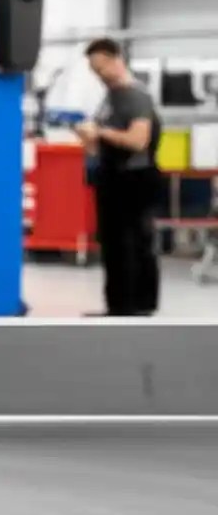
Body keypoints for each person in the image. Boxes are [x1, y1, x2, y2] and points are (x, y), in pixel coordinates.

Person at [75, 38, 162, 316]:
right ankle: (119, 304)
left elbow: (138, 140)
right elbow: (104, 139)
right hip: (112, 178)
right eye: (93, 69)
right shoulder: (109, 97)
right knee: (113, 244)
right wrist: (89, 137)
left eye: (100, 67)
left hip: (133, 179)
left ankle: (134, 305)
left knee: (131, 243)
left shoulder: (134, 96)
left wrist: (100, 132)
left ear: (116, 59)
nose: (97, 74)